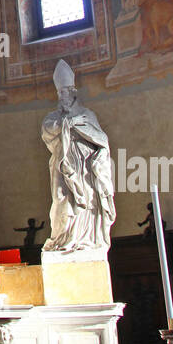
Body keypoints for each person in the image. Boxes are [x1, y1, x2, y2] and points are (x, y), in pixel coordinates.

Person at [41, 59, 115, 254]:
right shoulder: (54, 117)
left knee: (88, 202)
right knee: (61, 200)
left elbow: (102, 140)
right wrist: (68, 123)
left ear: (73, 92)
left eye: (64, 92)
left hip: (86, 169)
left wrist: (76, 125)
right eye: (59, 92)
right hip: (63, 167)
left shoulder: (86, 115)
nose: (61, 96)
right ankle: (62, 238)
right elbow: (47, 131)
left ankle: (86, 239)